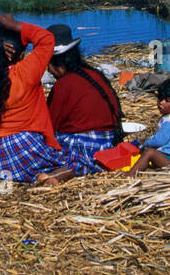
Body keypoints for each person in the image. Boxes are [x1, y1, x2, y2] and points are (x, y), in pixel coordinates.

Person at [0, 14, 77, 186]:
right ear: (22, 53)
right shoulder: (25, 73)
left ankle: (33, 176)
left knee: (16, 163)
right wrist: (16, 25)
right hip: (18, 147)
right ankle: (44, 176)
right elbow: (47, 39)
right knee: (74, 161)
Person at [45, 23, 124, 174]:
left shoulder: (64, 85)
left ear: (56, 63)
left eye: (48, 64)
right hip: (111, 140)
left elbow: (50, 127)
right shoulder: (93, 74)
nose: (48, 70)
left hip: (90, 145)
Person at [130, 78, 170, 174]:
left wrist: (145, 142)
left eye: (167, 101)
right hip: (169, 155)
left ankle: (130, 174)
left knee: (149, 153)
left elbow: (160, 140)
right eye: (160, 99)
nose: (161, 102)